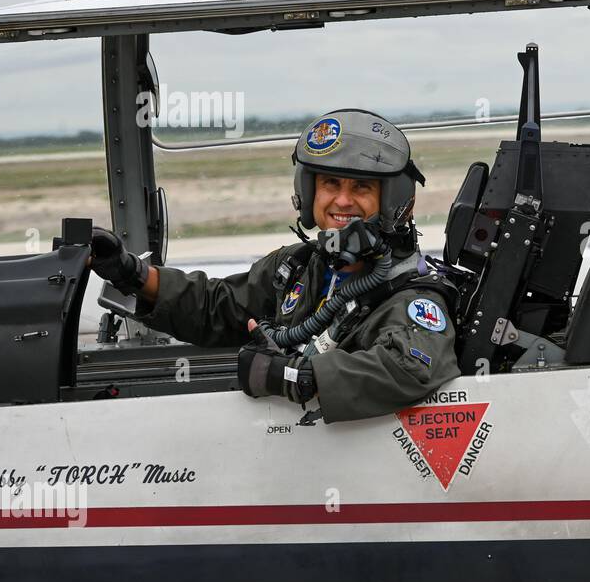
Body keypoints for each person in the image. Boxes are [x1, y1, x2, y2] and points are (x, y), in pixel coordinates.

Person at [88, 109, 462, 421]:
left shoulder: (410, 292)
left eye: (362, 187)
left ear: (392, 200)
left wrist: (298, 376)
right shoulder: (297, 266)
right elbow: (217, 306)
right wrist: (131, 273)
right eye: (331, 183)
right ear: (310, 193)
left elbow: (412, 366)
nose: (343, 200)